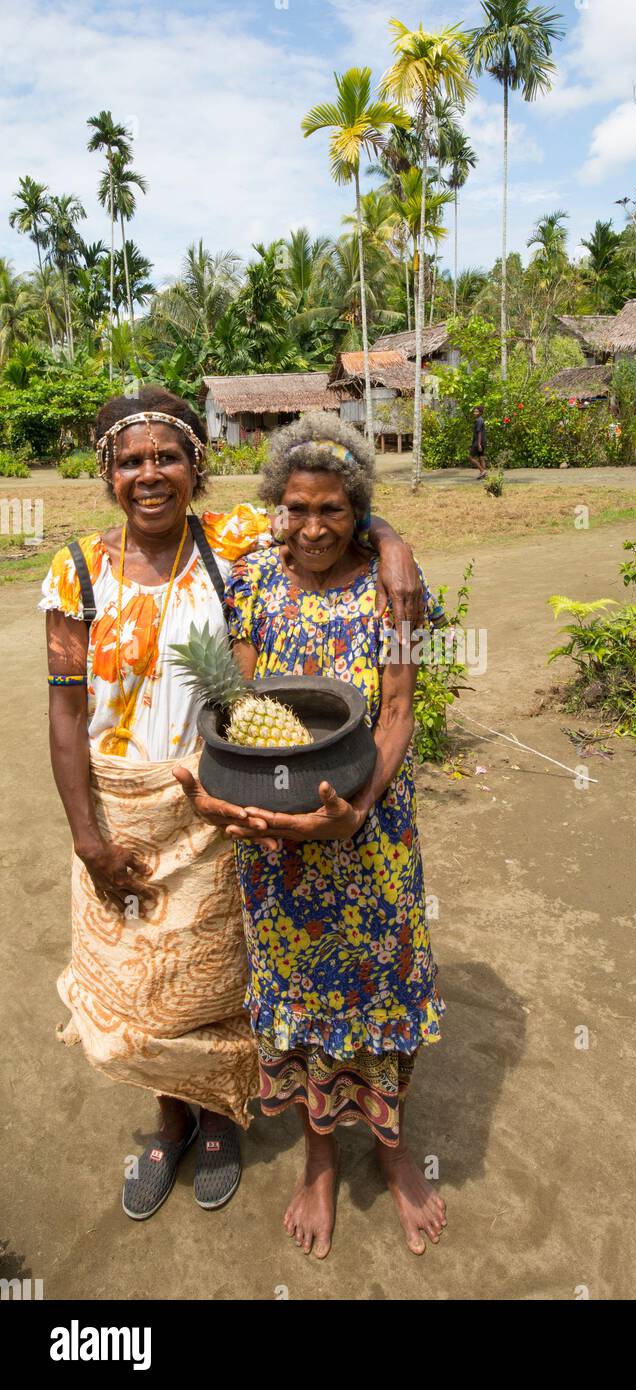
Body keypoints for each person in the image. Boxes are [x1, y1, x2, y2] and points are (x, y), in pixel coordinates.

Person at [42, 386, 423, 1222]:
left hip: (219, 799)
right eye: (131, 461)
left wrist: (392, 542)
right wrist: (87, 839)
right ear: (108, 472)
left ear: (197, 466)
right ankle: (169, 1118)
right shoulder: (77, 571)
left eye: (168, 457)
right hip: (124, 807)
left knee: (213, 982)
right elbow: (64, 714)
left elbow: (327, 501)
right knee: (136, 988)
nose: (150, 474)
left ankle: (219, 1121)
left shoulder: (234, 542)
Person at [175, 412, 447, 1258]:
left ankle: (394, 1153)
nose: (315, 527)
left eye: (333, 509)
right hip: (280, 837)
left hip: (371, 833)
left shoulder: (396, 587)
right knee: (299, 1003)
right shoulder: (254, 578)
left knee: (381, 993)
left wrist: (356, 810)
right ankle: (321, 1162)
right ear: (277, 508)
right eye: (298, 508)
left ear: (358, 510)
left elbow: (398, 712)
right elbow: (240, 709)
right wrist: (235, 805)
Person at [469, 405, 488, 478]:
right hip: (482, 441)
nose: (475, 413)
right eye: (474, 411)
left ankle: (482, 471)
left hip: (478, 442)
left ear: (480, 412)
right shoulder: (480, 419)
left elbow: (479, 432)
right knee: (481, 457)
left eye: (477, 411)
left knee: (471, 458)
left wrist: (479, 444)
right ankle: (484, 474)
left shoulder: (479, 420)